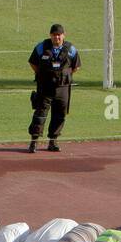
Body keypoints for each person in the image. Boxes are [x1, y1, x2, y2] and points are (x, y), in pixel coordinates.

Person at [27, 23, 79, 153]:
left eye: (59, 35)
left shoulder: (71, 49)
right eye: (54, 35)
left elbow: (76, 67)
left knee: (59, 115)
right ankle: (34, 142)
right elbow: (32, 62)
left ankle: (53, 141)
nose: (57, 37)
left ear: (63, 35)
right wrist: (42, 75)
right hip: (45, 87)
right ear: (50, 35)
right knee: (40, 115)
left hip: (62, 88)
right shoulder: (41, 47)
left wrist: (65, 76)